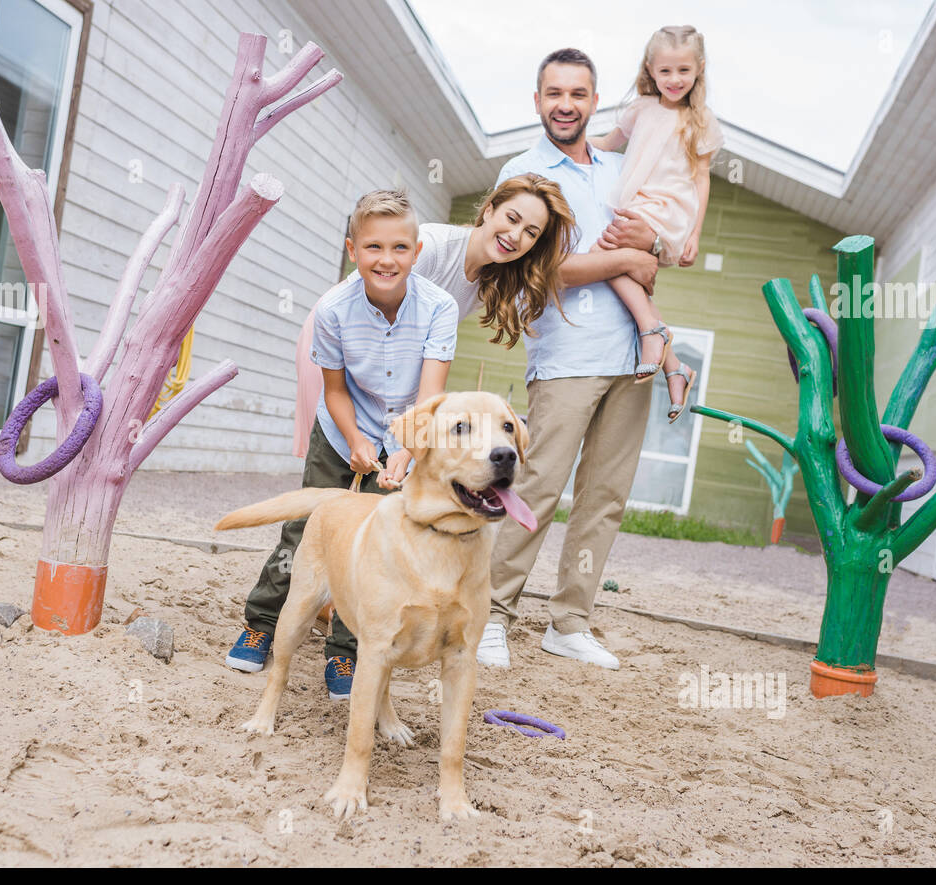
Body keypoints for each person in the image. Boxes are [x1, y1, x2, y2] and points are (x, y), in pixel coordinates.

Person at [475, 47, 670, 671]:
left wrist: (650, 251)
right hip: (566, 355)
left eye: (578, 94)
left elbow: (651, 248)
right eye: (553, 93)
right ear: (537, 101)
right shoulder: (524, 170)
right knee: (537, 486)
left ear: (594, 100)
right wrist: (622, 261)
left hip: (631, 355)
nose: (565, 105)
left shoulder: (621, 168)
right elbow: (537, 266)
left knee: (605, 496)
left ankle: (570, 621)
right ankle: (491, 616)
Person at [226, 188, 459, 700]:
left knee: (376, 549)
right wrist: (355, 441)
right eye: (373, 247)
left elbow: (432, 395)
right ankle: (263, 621)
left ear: (417, 253)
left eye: (400, 248)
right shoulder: (333, 308)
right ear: (353, 249)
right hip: (341, 432)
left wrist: (408, 450)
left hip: (408, 438)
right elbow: (333, 390)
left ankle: (345, 654)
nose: (387, 259)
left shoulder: (440, 307)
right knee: (306, 530)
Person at [289, 173, 578, 479]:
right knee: (333, 455)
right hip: (340, 342)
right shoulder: (434, 248)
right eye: (512, 218)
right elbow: (359, 301)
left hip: (383, 363)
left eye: (531, 232)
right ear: (490, 209)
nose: (516, 235)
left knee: (377, 466)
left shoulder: (489, 280)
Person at [589, 24, 724, 421]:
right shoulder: (641, 109)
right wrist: (564, 138)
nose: (674, 80)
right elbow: (607, 143)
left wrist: (695, 235)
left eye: (684, 70)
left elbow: (701, 178)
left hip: (668, 210)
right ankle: (674, 363)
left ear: (699, 68)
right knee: (615, 264)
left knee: (600, 256)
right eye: (665, 71)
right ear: (650, 69)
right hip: (634, 205)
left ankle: (653, 335)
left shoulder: (701, 120)